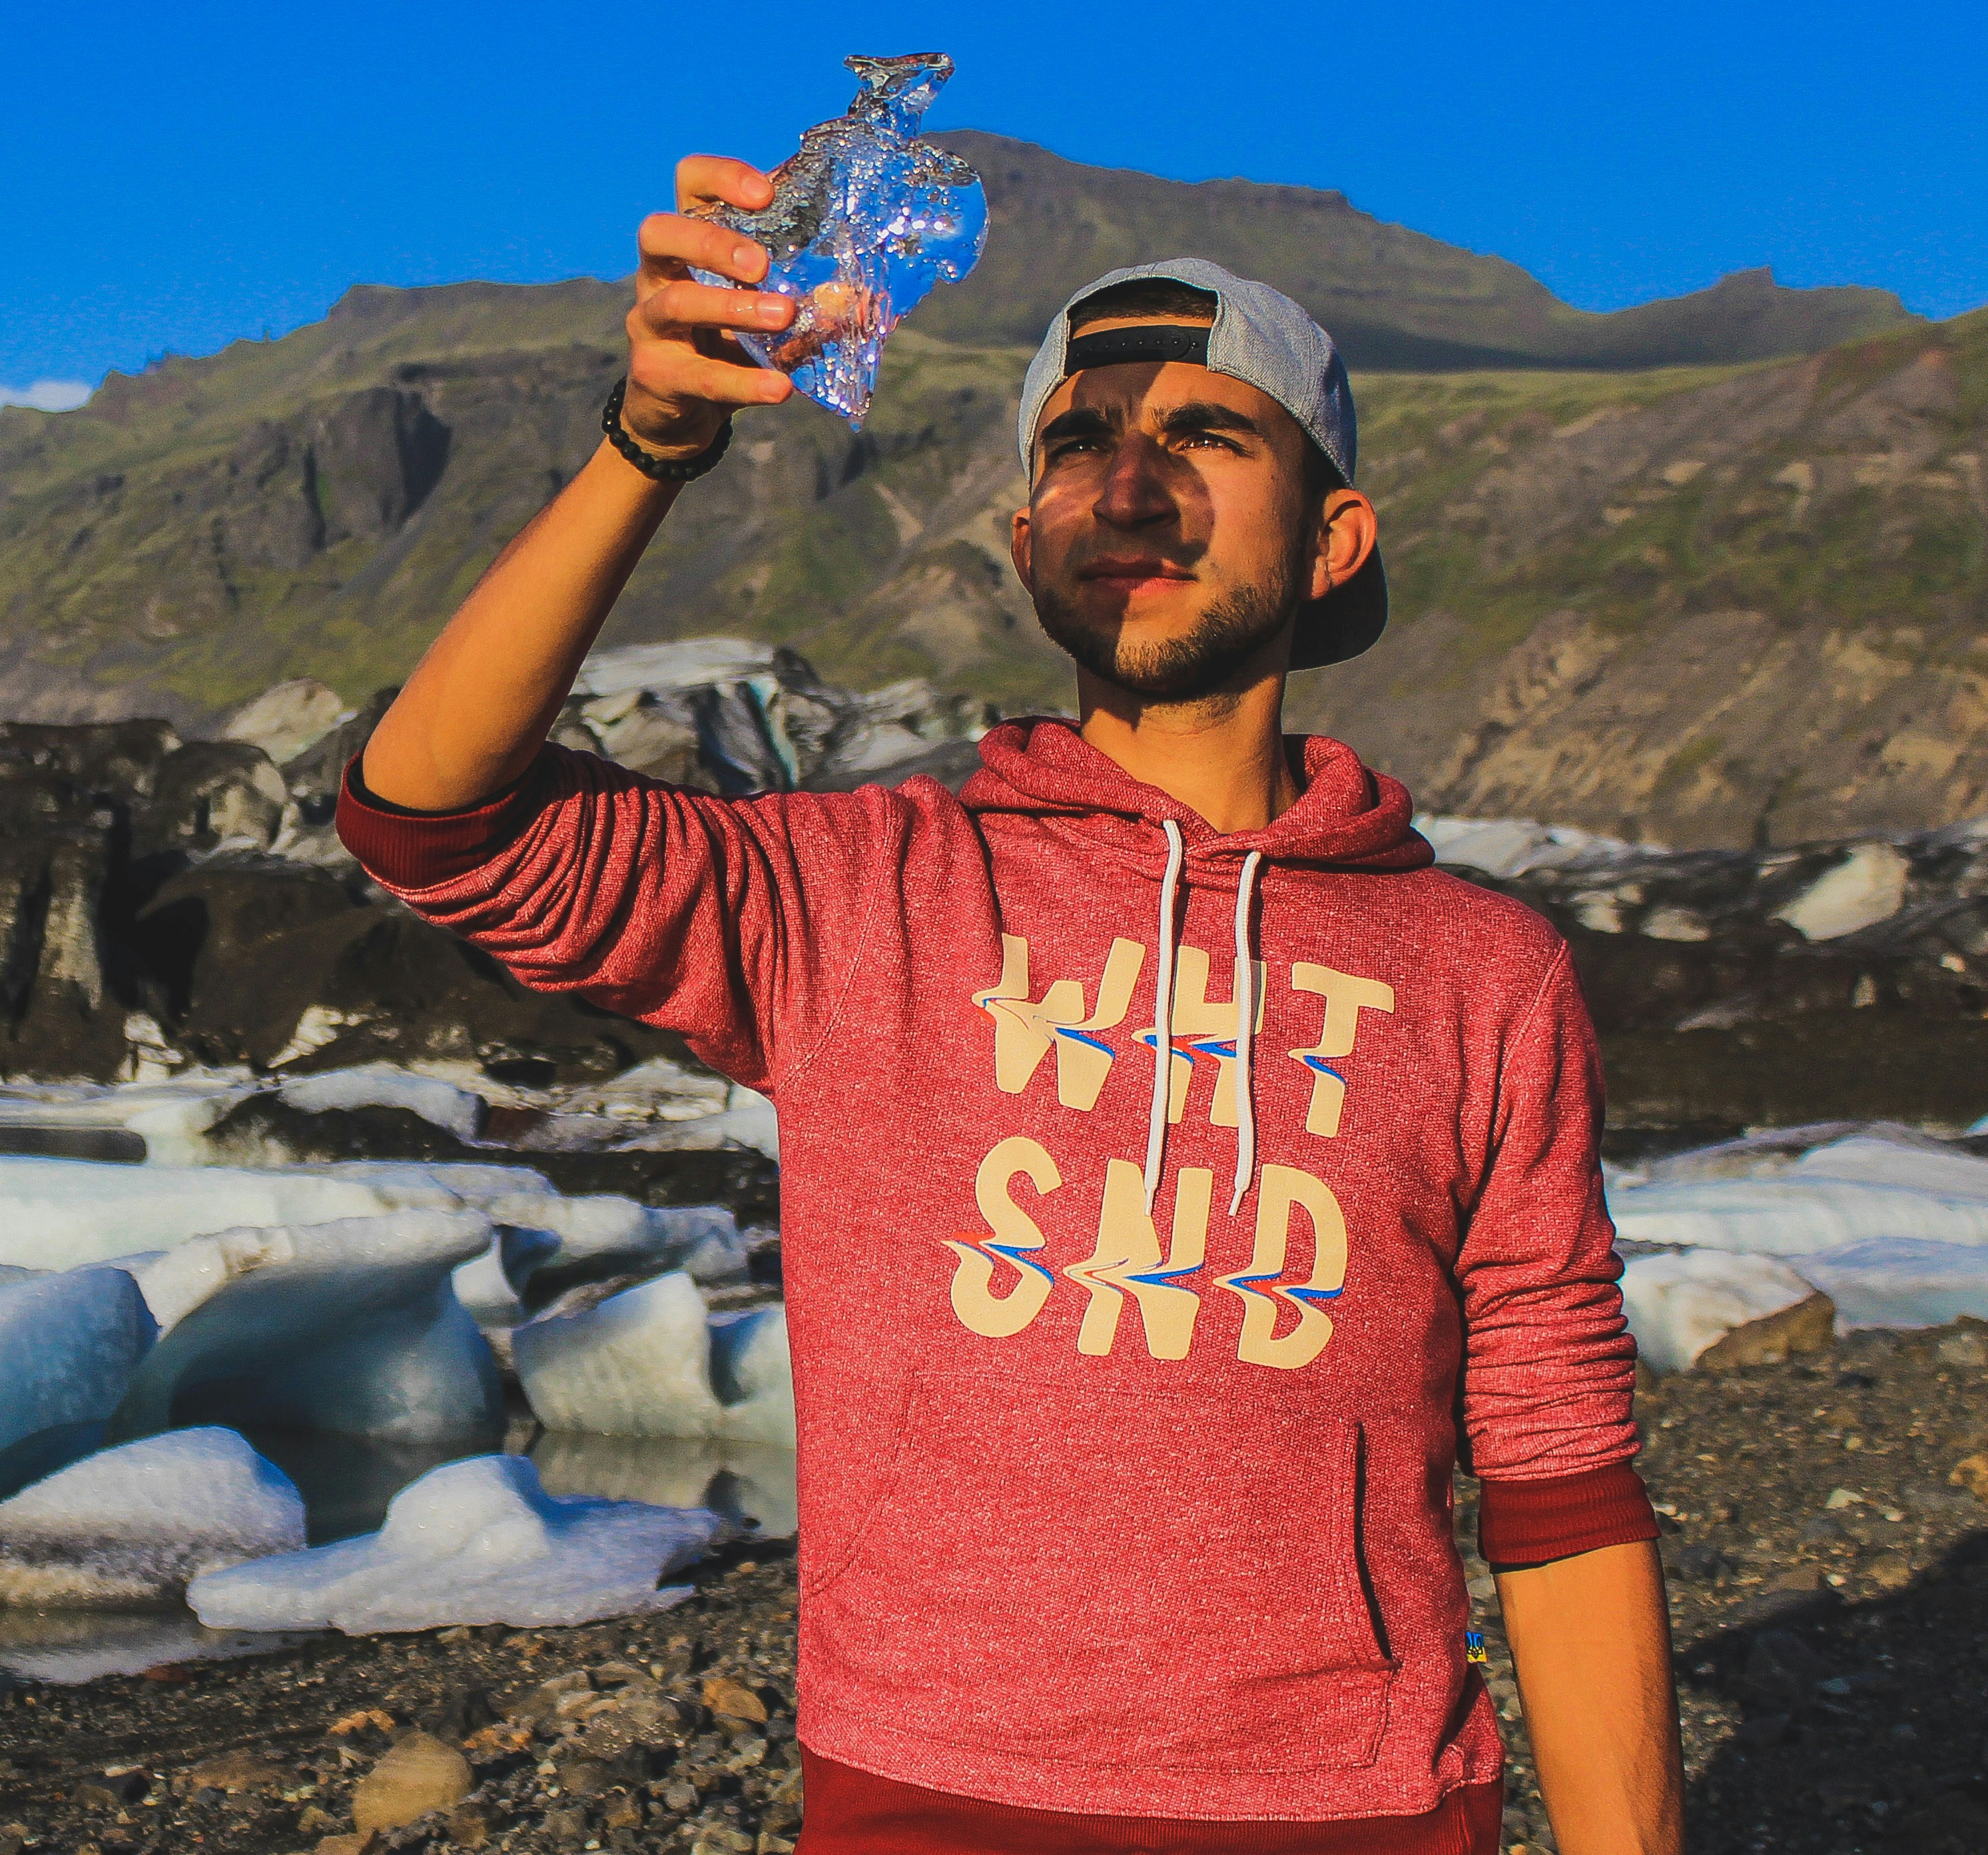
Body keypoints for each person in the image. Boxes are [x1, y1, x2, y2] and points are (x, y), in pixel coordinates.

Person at [340, 157, 1684, 1854]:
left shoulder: (1480, 970)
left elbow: (1559, 1472)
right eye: (1075, 446)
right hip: (926, 1794)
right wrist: (649, 443)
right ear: (1020, 536)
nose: (1128, 486)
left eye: (1205, 437)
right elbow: (432, 817)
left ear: (1333, 537)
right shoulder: (863, 891)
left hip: (1351, 1804)